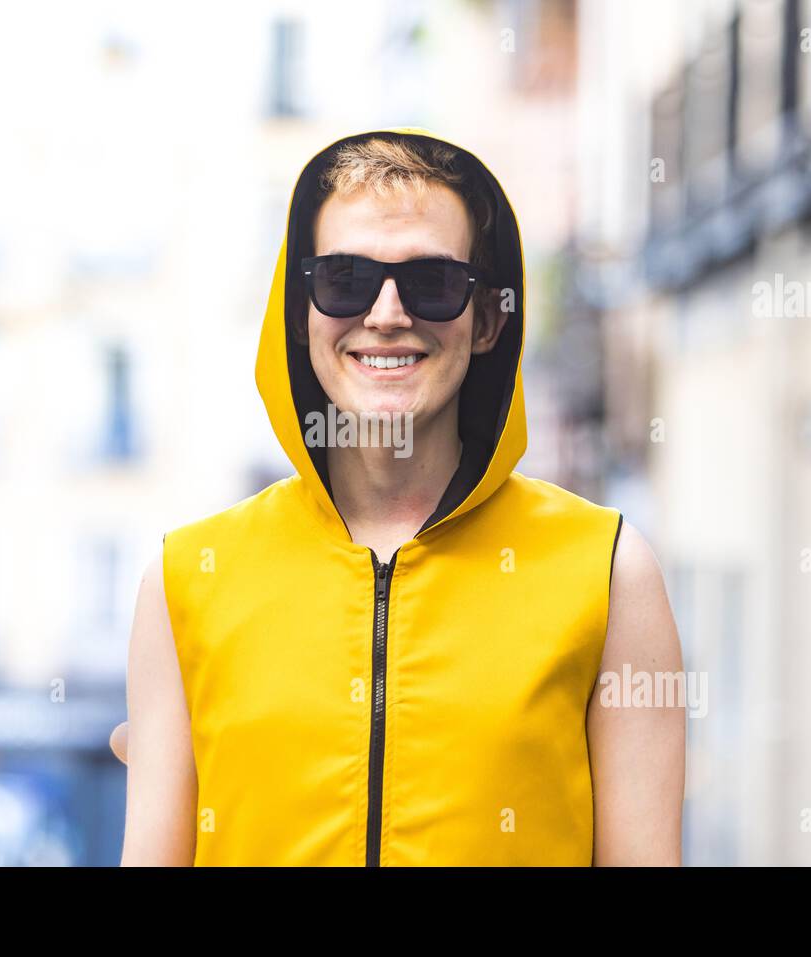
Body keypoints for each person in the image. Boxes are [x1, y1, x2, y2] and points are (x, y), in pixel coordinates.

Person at [118, 128, 684, 866]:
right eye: (345, 278)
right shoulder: (187, 576)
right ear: (301, 312)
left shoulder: (609, 573)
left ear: (486, 320)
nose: (386, 313)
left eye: (433, 282)